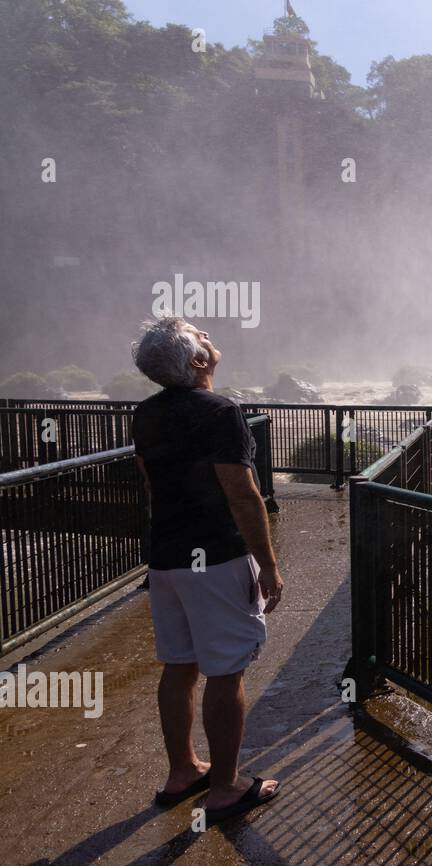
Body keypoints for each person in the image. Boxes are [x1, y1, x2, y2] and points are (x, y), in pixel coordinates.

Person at [130, 316, 283, 822]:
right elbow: (243, 493)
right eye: (203, 339)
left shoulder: (146, 413)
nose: (211, 340)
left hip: (168, 559)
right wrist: (268, 566)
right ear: (198, 361)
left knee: (180, 665)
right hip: (215, 559)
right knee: (226, 670)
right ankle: (224, 787)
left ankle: (183, 772)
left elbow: (154, 486)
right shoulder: (221, 411)